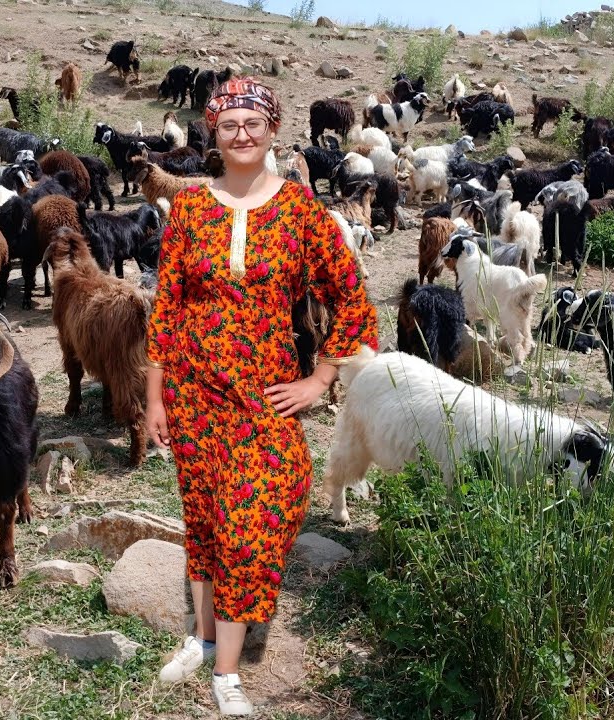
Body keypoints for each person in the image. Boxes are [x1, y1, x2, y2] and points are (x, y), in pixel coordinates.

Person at [144, 77, 377, 716]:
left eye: (253, 123)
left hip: (264, 396)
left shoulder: (300, 210)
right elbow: (166, 309)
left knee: (258, 520)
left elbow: (351, 297)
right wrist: (155, 398)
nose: (241, 134)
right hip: (192, 393)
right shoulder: (190, 208)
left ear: (272, 129)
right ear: (213, 133)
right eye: (229, 124)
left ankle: (227, 672)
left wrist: (320, 378)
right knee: (204, 519)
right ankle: (202, 639)